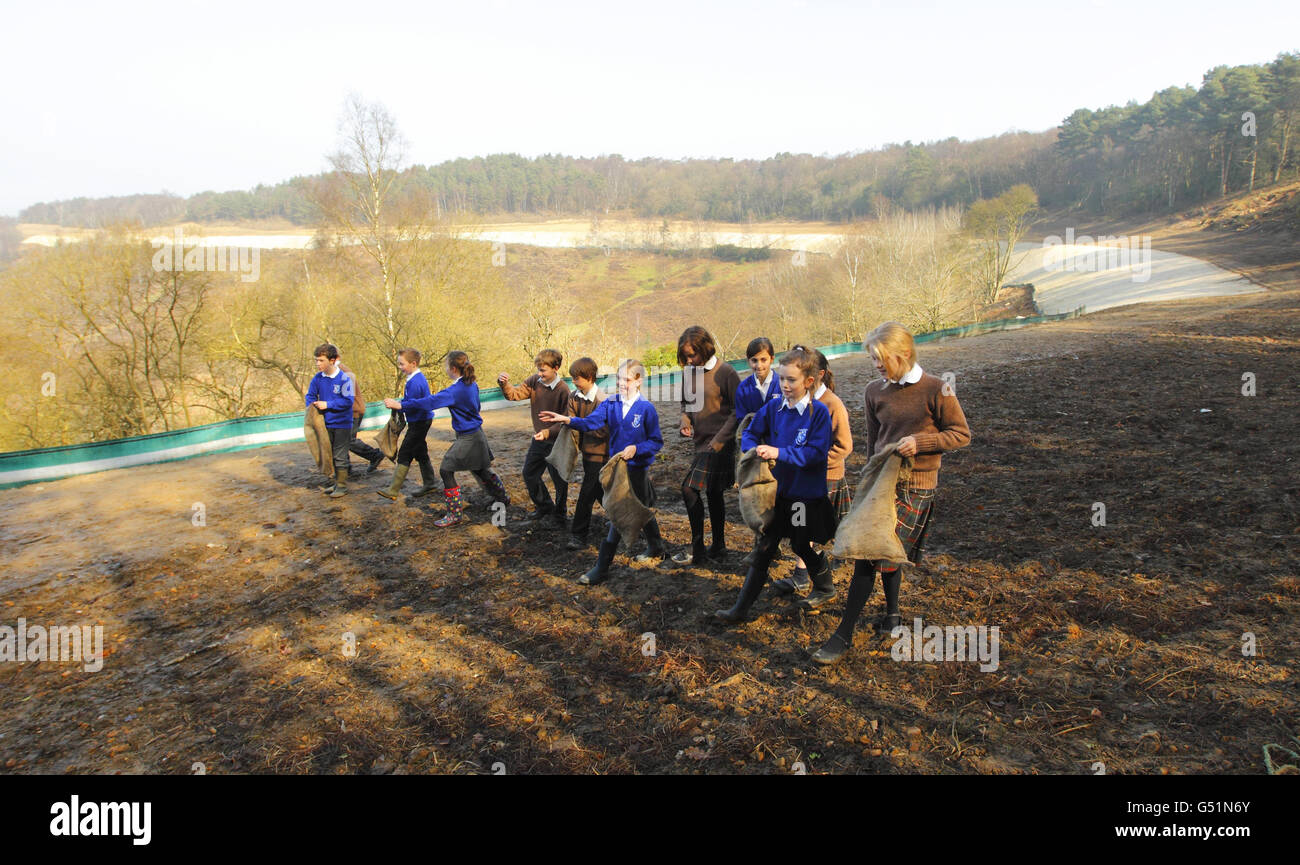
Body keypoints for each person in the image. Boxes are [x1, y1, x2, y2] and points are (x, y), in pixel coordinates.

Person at [812, 322, 971, 665]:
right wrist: (867, 483)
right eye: (873, 359)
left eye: (882, 358)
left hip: (918, 487)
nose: (877, 365)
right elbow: (874, 444)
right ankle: (894, 614)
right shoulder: (874, 391)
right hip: (881, 484)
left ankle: (843, 635)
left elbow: (960, 434)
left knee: (871, 554)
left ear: (904, 353)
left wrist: (922, 443)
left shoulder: (937, 389)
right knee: (884, 550)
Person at [714, 348, 837, 622]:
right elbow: (750, 432)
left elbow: (816, 454)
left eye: (791, 380)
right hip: (777, 494)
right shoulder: (772, 408)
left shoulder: (819, 415)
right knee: (765, 547)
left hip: (804, 498)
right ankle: (740, 610)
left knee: (802, 545)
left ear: (808, 381)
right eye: (782, 379)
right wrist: (753, 451)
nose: (784, 385)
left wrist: (779, 453)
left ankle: (826, 587)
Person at [539, 358, 667, 584]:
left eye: (626, 380)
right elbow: (590, 423)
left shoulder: (647, 409)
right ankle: (637, 553)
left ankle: (608, 564)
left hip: (637, 471)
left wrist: (637, 448)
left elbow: (656, 441)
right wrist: (567, 419)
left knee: (635, 509)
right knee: (626, 511)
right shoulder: (610, 404)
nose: (621, 384)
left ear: (638, 381)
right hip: (617, 471)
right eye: (619, 379)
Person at [390, 351, 510, 527]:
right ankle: (502, 498)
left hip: (469, 437)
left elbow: (430, 402)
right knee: (480, 469)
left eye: (446, 366)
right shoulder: (471, 384)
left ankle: (454, 514)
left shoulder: (455, 390)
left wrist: (401, 405)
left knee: (446, 469)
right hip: (476, 433)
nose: (445, 369)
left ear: (453, 368)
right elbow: (476, 406)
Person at [774, 347, 853, 596]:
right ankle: (805, 577)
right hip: (801, 478)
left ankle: (809, 578)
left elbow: (844, 446)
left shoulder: (832, 404)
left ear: (817, 374)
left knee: (808, 531)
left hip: (824, 478)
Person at [672, 326, 741, 567]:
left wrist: (720, 440)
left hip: (721, 445)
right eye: (686, 357)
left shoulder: (727, 372)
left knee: (689, 489)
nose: (690, 361)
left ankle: (698, 548)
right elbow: (685, 404)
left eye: (693, 355)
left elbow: (737, 411)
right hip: (700, 444)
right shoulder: (689, 372)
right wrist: (685, 421)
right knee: (713, 494)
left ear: (706, 348)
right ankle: (719, 546)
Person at [498, 349, 571, 527]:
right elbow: (514, 395)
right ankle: (544, 506)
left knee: (559, 481)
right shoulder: (534, 381)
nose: (539, 374)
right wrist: (504, 384)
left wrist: (547, 433)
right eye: (538, 369)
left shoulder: (563, 390)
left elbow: (565, 421)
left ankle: (560, 516)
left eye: (543, 370)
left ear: (556, 368)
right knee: (529, 474)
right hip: (539, 440)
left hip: (556, 442)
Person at [733, 337, 782, 565]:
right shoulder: (743, 388)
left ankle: (778, 544)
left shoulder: (783, 382)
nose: (759, 365)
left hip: (780, 448)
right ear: (748, 361)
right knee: (757, 495)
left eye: (763, 359)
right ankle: (761, 543)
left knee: (779, 495)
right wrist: (751, 452)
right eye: (754, 360)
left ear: (772, 359)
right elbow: (744, 423)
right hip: (756, 450)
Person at [377, 348, 437, 500]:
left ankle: (393, 490)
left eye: (402, 364)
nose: (400, 367)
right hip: (419, 420)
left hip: (420, 422)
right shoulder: (413, 378)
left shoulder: (416, 381)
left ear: (413, 363)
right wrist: (399, 403)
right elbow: (412, 402)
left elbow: (417, 404)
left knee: (405, 453)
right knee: (420, 451)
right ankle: (430, 484)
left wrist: (399, 405)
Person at [565, 357, 610, 550]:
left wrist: (579, 424)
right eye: (573, 378)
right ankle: (620, 518)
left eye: (577, 378)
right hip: (587, 452)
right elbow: (570, 418)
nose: (574, 382)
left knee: (586, 494)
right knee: (600, 490)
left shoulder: (602, 400)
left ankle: (578, 535)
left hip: (601, 453)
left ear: (590, 377)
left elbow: (603, 431)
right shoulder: (574, 397)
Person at [305, 343, 358, 498]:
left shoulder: (344, 378)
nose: (317, 364)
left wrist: (327, 404)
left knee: (339, 455)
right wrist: (311, 407)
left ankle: (342, 486)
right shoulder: (318, 378)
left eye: (321, 360)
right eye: (316, 360)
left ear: (332, 360)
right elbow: (310, 395)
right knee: (330, 453)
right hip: (325, 423)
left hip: (342, 423)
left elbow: (348, 401)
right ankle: (336, 483)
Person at [336, 351, 385, 475]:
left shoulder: (344, 373)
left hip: (353, 411)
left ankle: (375, 455)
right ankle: (345, 469)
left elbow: (347, 398)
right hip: (348, 411)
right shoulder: (335, 373)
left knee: (348, 440)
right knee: (341, 440)